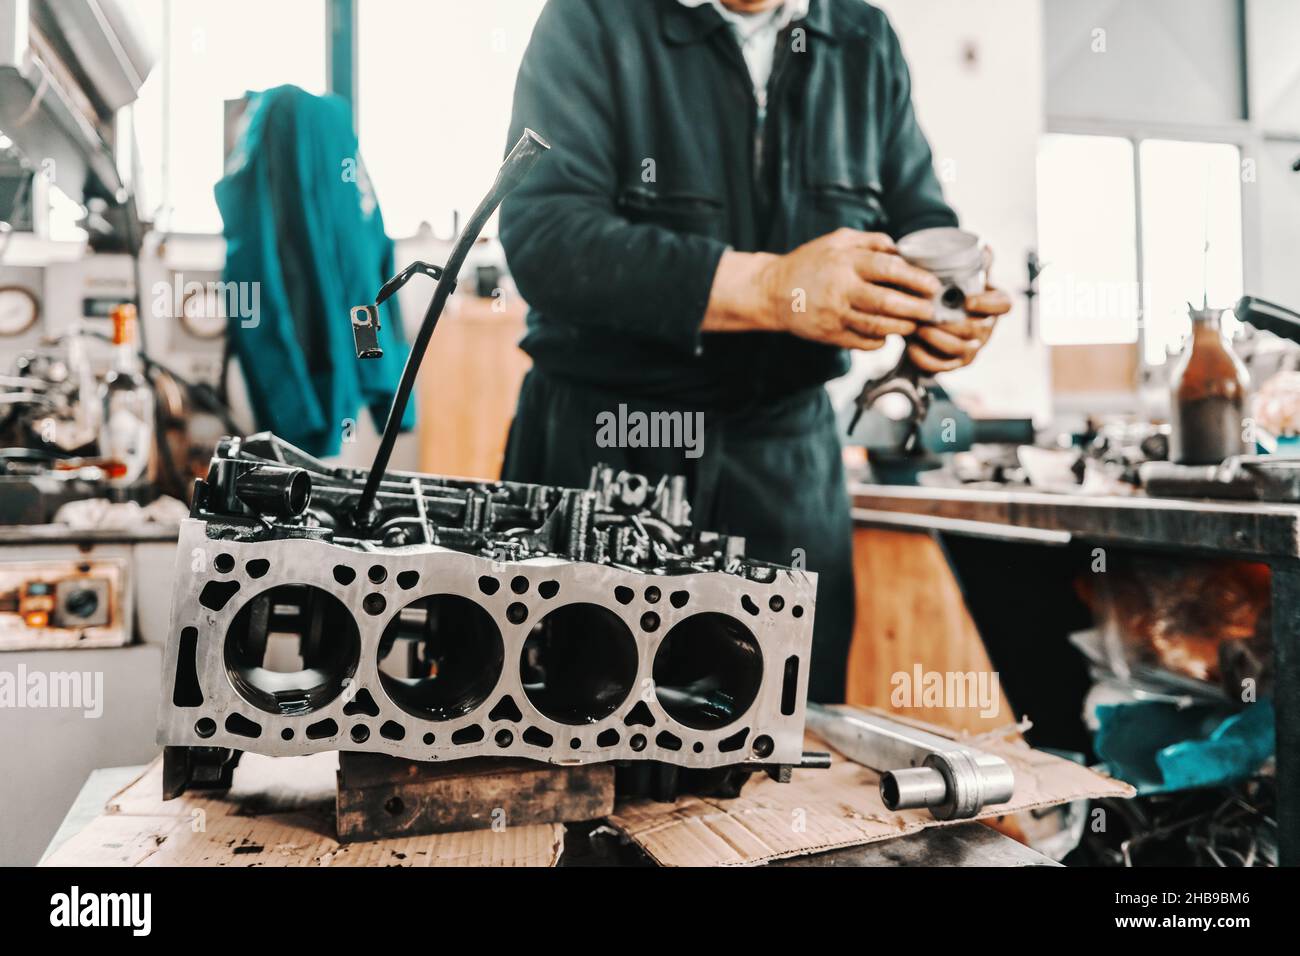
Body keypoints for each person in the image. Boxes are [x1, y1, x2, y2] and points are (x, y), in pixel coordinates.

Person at [498, 0, 1011, 702]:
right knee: (581, 733)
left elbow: (919, 220)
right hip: (613, 447)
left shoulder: (860, 38)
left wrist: (947, 307)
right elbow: (546, 237)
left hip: (786, 463)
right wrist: (774, 287)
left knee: (779, 739)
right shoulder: (593, 18)